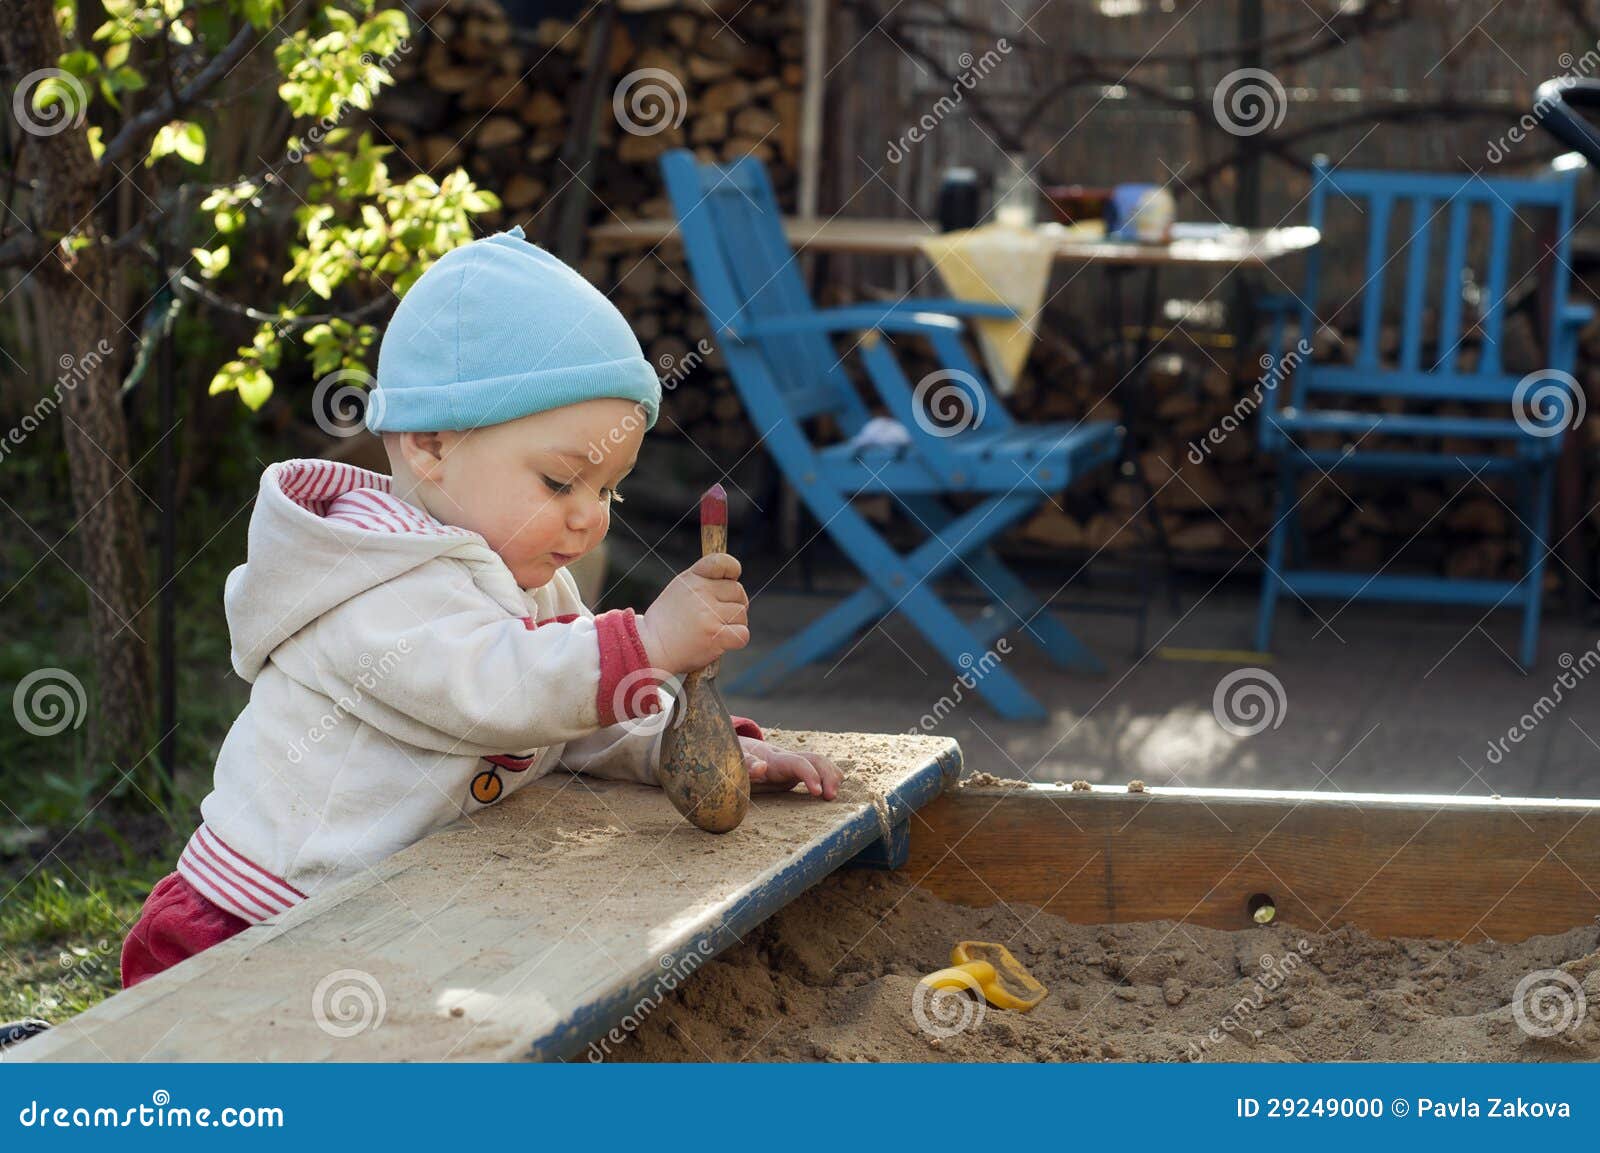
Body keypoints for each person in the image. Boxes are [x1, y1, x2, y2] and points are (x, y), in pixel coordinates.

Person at [120, 227, 841, 988]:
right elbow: (499, 688)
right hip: (260, 926)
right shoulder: (371, 582)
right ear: (430, 444)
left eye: (610, 489)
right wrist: (647, 641)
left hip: (391, 920)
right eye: (562, 482)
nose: (592, 517)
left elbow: (563, 720)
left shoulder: (522, 576)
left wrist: (677, 741)